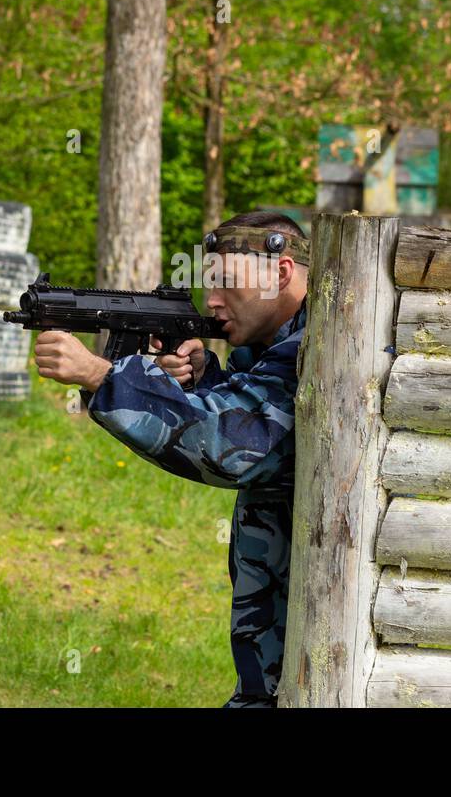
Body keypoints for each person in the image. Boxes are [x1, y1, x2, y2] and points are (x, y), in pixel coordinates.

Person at [32, 210, 309, 707]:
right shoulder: (276, 347)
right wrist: (204, 378)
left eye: (227, 285)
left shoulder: (316, 348)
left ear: (282, 273)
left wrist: (100, 375)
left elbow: (234, 448)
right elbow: (247, 410)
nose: (214, 302)